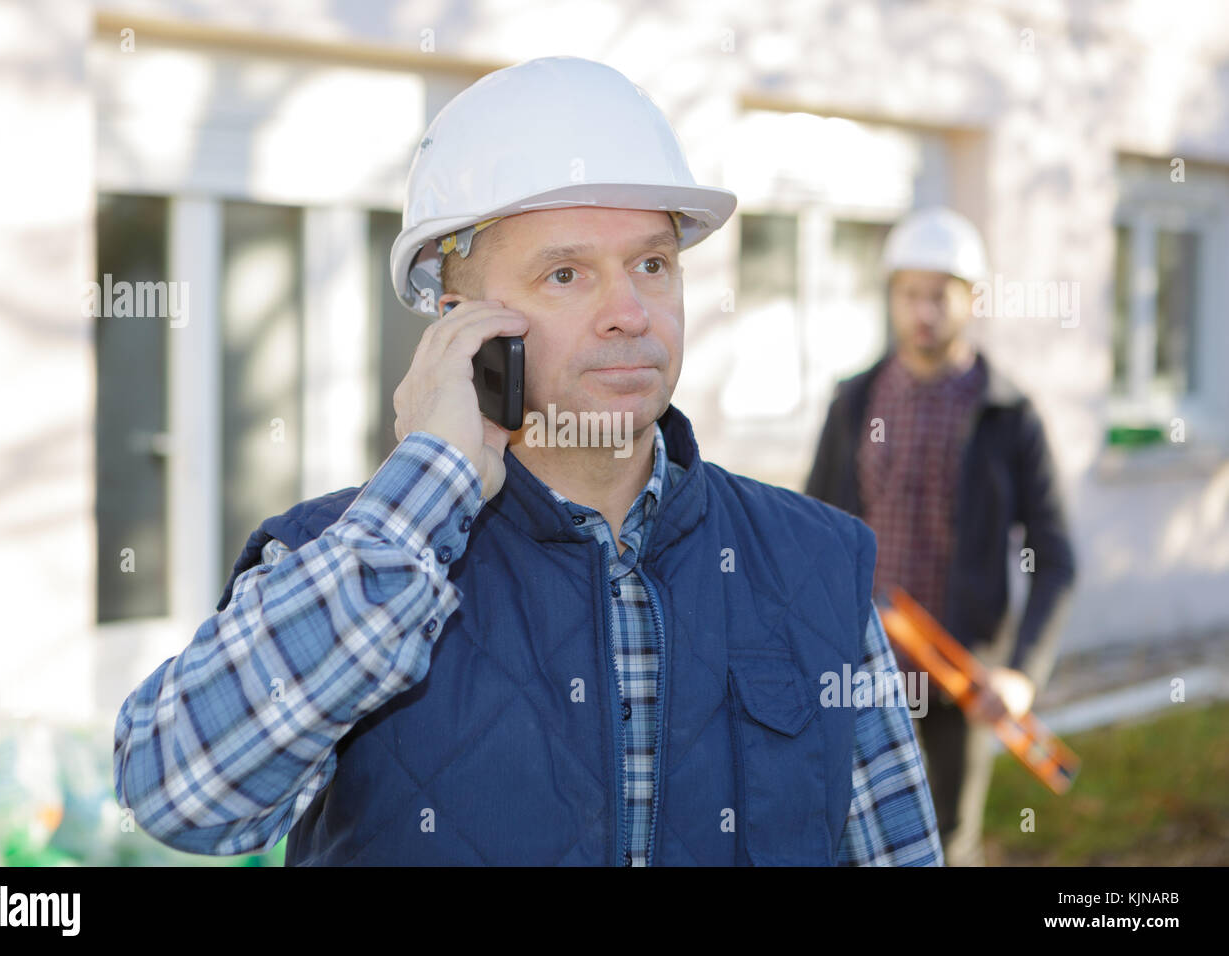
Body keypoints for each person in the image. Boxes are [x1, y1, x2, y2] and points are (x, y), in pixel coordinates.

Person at [114, 55, 942, 866]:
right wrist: (426, 485)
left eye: (652, 263)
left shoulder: (815, 564)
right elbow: (178, 794)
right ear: (459, 326)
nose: (629, 312)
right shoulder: (342, 557)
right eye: (566, 274)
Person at [805, 207, 1077, 866]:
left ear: (972, 300)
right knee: (845, 838)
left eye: (939, 295)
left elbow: (1058, 560)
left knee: (946, 844)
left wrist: (1023, 675)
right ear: (892, 296)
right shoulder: (854, 401)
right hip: (861, 670)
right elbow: (808, 531)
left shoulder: (1010, 415)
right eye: (909, 293)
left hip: (962, 676)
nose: (923, 310)